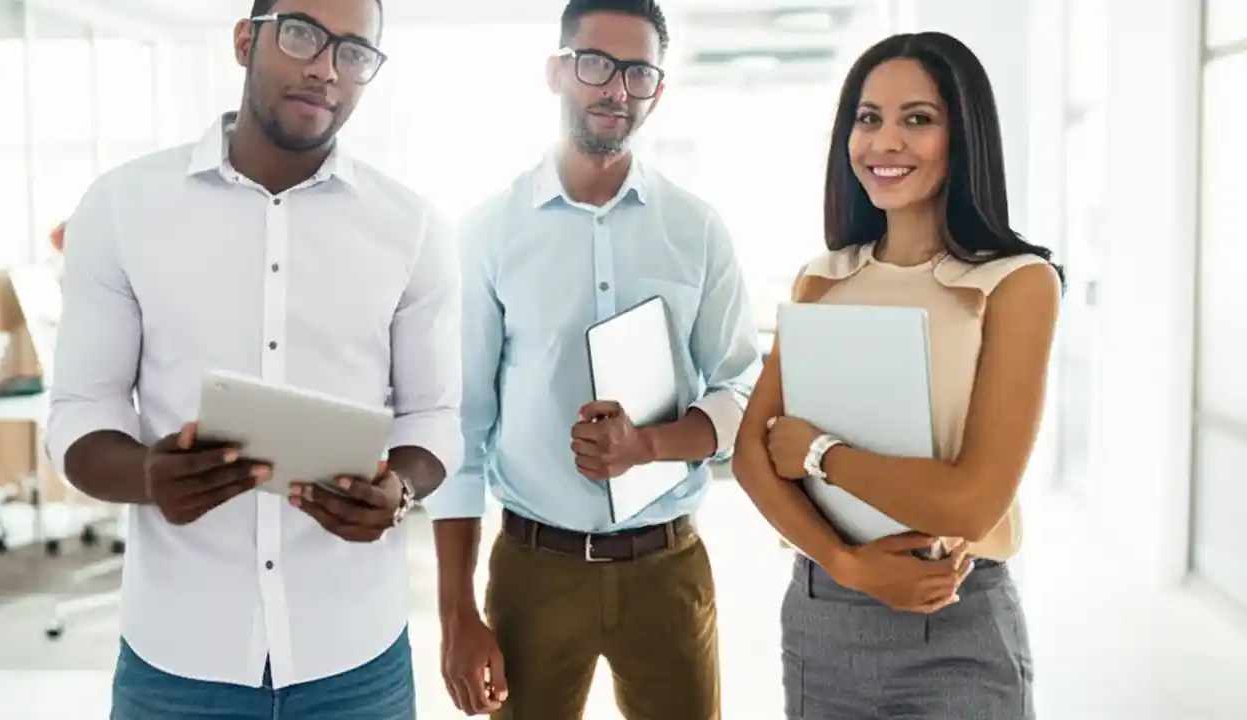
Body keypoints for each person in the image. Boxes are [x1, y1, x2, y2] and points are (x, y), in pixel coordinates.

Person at [46, 0, 461, 717]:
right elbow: (82, 408)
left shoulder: (413, 227)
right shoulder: (120, 207)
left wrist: (399, 492)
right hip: (177, 655)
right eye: (302, 35)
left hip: (355, 653)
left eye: (354, 53)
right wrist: (147, 477)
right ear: (246, 41)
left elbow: (434, 416)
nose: (326, 69)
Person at [422, 1, 761, 718]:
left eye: (638, 73)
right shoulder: (489, 233)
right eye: (596, 65)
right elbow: (461, 430)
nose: (616, 89)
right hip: (533, 571)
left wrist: (649, 446)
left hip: (668, 568)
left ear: (658, 90)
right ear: (556, 72)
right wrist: (455, 613)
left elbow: (741, 387)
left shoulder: (696, 229)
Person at [733, 32, 1062, 720]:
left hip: (954, 618)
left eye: (918, 118)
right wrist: (844, 563)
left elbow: (971, 505)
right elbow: (751, 458)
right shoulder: (823, 279)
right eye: (868, 117)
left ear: (962, 134)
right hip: (823, 615)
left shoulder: (1015, 284)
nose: (885, 141)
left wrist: (820, 454)